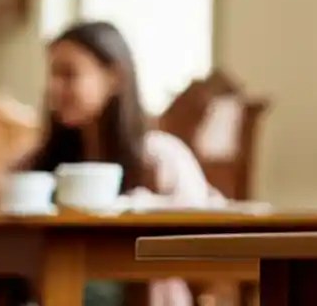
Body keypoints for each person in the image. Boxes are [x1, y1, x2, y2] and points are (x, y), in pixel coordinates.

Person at [26, 21, 220, 306]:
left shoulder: (159, 155)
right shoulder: (39, 163)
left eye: (69, 75)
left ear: (114, 77)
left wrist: (142, 207)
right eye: (52, 75)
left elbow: (207, 223)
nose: (54, 87)